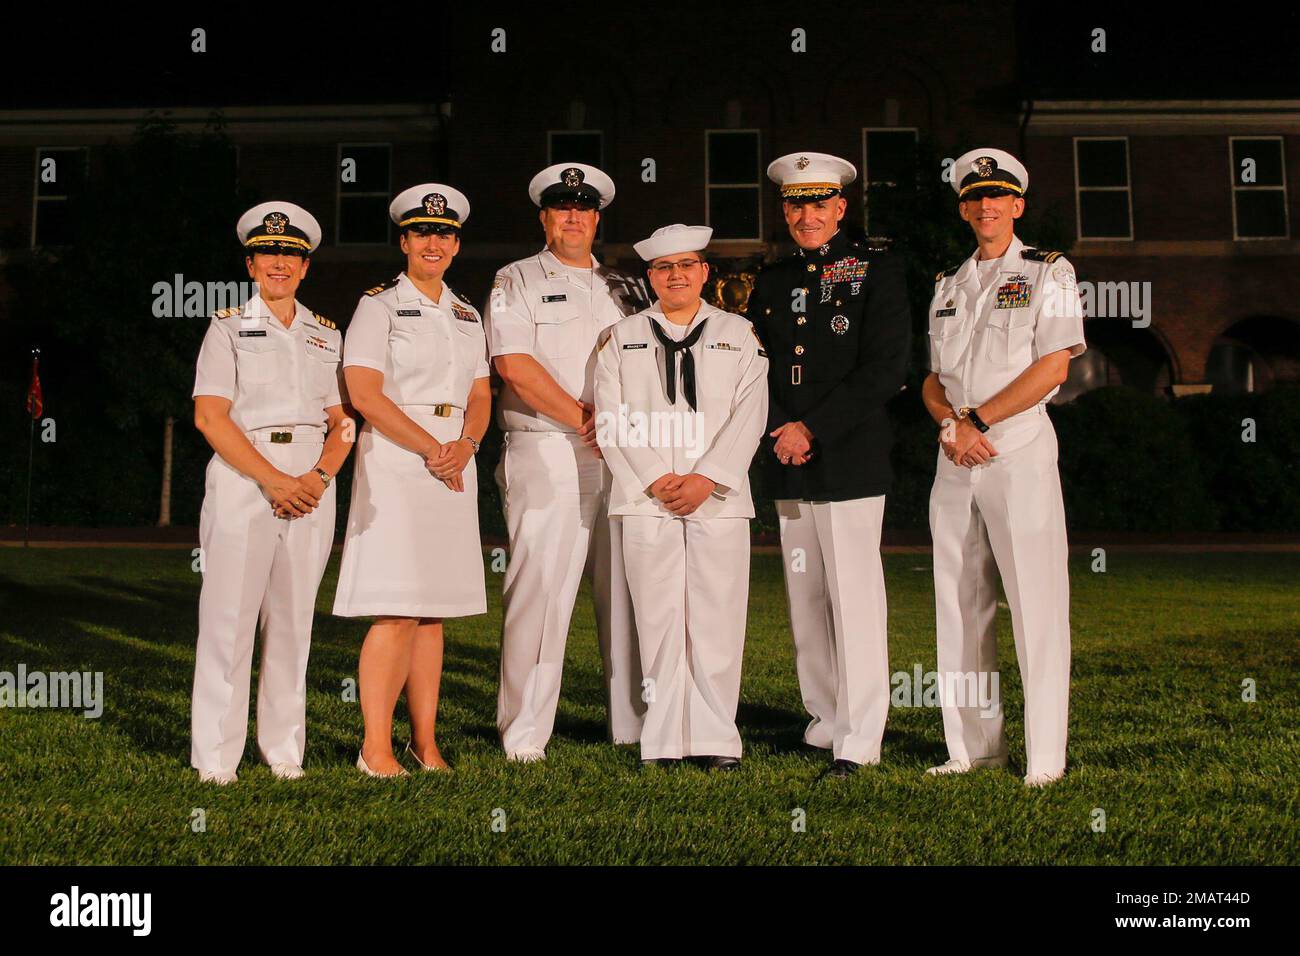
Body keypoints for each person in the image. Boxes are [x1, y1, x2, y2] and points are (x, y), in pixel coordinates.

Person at [745, 152, 911, 777]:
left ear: (842, 207)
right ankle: (823, 721)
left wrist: (810, 427)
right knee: (805, 597)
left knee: (854, 598)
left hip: (848, 456)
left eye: (819, 203)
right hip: (788, 458)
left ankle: (861, 737)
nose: (807, 215)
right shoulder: (773, 276)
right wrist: (778, 431)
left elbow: (885, 370)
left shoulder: (880, 269)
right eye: (795, 204)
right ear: (784, 210)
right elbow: (758, 367)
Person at [923, 148, 1085, 788]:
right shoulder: (947, 284)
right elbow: (933, 378)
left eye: (999, 196)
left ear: (1017, 204)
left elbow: (1055, 365)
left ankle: (1045, 760)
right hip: (956, 454)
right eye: (974, 197)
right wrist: (950, 424)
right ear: (963, 207)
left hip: (1014, 447)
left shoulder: (1052, 272)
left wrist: (978, 422)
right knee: (959, 603)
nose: (986, 206)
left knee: (1036, 603)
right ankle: (971, 749)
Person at [484, 162, 645, 762]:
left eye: (583, 207)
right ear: (544, 218)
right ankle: (524, 733)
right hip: (549, 445)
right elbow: (514, 366)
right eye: (561, 207)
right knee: (541, 587)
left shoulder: (627, 286)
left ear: (597, 217)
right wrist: (586, 420)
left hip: (622, 451)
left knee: (627, 588)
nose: (573, 216)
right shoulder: (516, 278)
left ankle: (632, 724)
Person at [332, 183, 491, 777]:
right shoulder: (377, 305)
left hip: (455, 458)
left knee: (432, 613)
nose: (434, 242)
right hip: (402, 462)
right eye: (422, 232)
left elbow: (481, 392)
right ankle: (374, 747)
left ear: (455, 245)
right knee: (395, 607)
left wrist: (466, 445)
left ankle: (425, 743)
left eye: (445, 234)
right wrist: (433, 450)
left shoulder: (466, 312)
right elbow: (365, 393)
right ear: (404, 240)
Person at [595, 225, 768, 769]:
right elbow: (610, 415)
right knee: (658, 617)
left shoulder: (738, 333)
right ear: (650, 277)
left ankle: (717, 737)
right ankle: (664, 737)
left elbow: (751, 413)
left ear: (704, 272)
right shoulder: (620, 338)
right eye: (664, 267)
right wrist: (653, 477)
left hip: (716, 497)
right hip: (649, 498)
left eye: (687, 265)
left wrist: (707, 477)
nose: (676, 275)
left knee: (717, 615)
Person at [191, 202, 352, 784]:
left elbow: (342, 420)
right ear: (251, 262)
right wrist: (272, 478)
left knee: (293, 622)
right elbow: (211, 417)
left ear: (305, 265)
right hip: (244, 478)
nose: (279, 263)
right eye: (268, 253)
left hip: (312, 482)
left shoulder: (325, 333)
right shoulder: (226, 325)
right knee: (228, 618)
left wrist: (318, 477)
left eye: (290, 254)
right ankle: (216, 759)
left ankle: (283, 751)